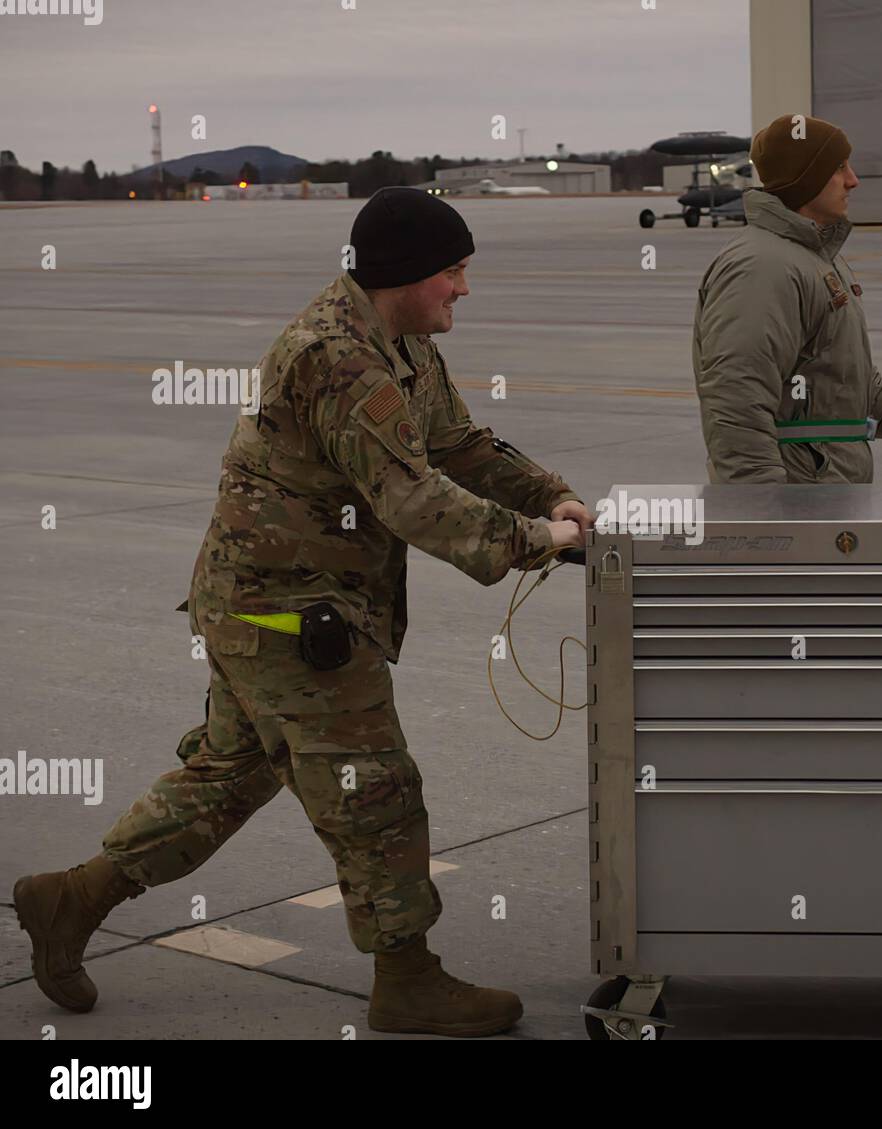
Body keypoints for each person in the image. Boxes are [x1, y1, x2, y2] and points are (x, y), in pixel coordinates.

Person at [13, 187, 590, 1038]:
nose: (464, 289)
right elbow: (414, 499)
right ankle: (407, 979)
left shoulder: (397, 340)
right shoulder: (337, 358)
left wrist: (550, 494)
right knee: (376, 789)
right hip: (285, 614)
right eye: (454, 271)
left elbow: (456, 444)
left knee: (229, 776)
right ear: (406, 275)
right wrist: (538, 539)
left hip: (267, 602)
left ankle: (71, 899)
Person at [693, 113, 882, 483]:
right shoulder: (763, 268)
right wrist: (759, 505)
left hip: (824, 492)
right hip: (796, 497)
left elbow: (843, 375)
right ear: (806, 178)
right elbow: (736, 398)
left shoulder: (813, 257)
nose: (853, 180)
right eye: (839, 168)